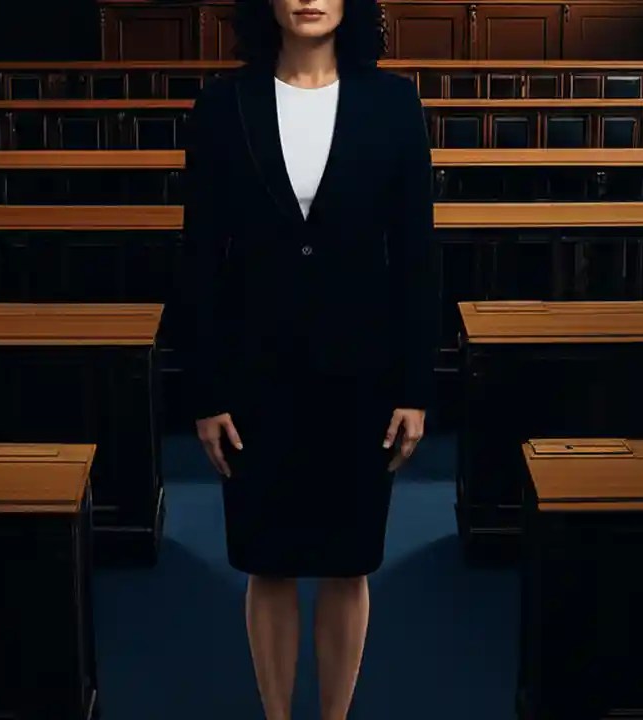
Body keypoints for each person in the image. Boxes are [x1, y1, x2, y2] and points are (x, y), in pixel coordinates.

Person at [179, 0, 436, 715]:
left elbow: (417, 257)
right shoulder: (222, 104)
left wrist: (416, 385)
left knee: (349, 564)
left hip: (363, 371)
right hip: (253, 369)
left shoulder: (392, 102)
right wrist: (204, 389)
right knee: (268, 563)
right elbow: (198, 258)